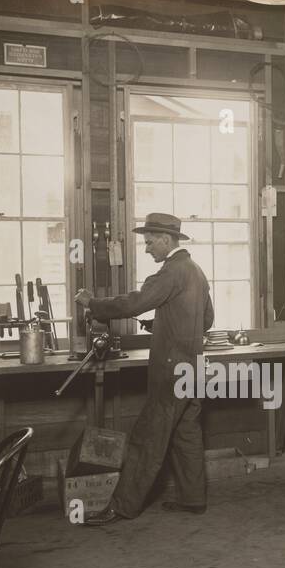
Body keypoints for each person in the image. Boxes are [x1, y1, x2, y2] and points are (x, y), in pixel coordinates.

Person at [74, 213, 214, 526]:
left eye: (150, 242)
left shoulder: (171, 272)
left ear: (166, 240)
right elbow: (206, 320)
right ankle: (193, 500)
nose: (148, 248)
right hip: (193, 365)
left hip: (170, 369)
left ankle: (122, 506)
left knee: (146, 437)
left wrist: (92, 303)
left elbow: (133, 304)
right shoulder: (196, 271)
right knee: (186, 432)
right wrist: (165, 320)